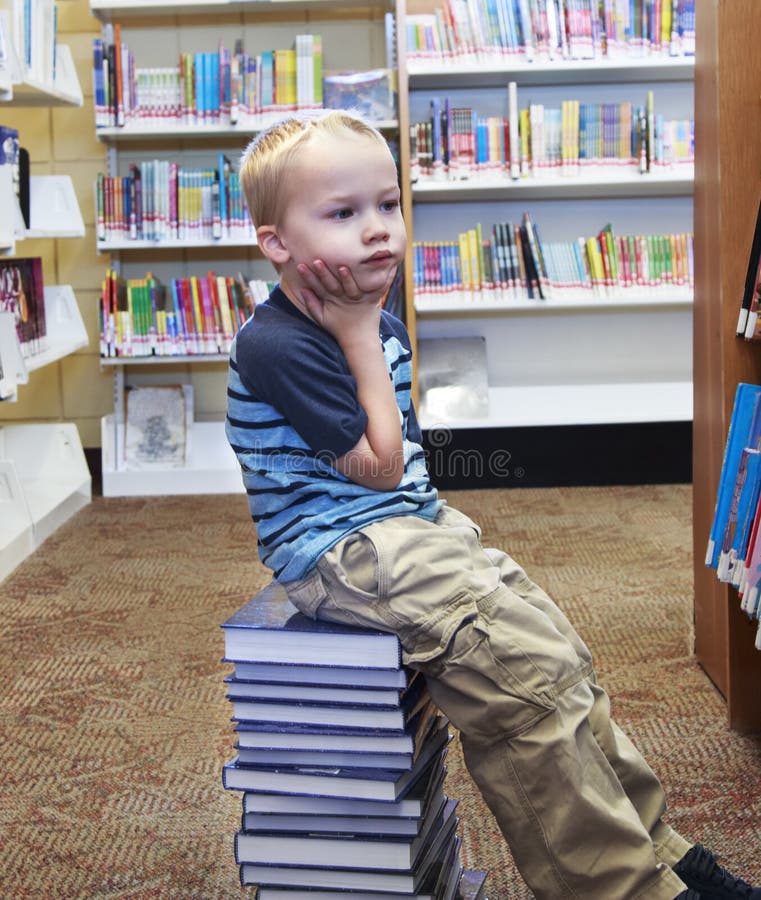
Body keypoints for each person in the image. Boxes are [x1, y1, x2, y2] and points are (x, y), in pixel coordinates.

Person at [225, 109, 759, 900]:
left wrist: (364, 328)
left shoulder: (363, 310)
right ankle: (621, 889)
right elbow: (374, 467)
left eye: (387, 205)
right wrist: (361, 334)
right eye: (342, 214)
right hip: (341, 548)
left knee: (558, 657)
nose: (377, 231)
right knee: (519, 689)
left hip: (403, 528)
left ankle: (663, 853)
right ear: (277, 244)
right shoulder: (282, 342)